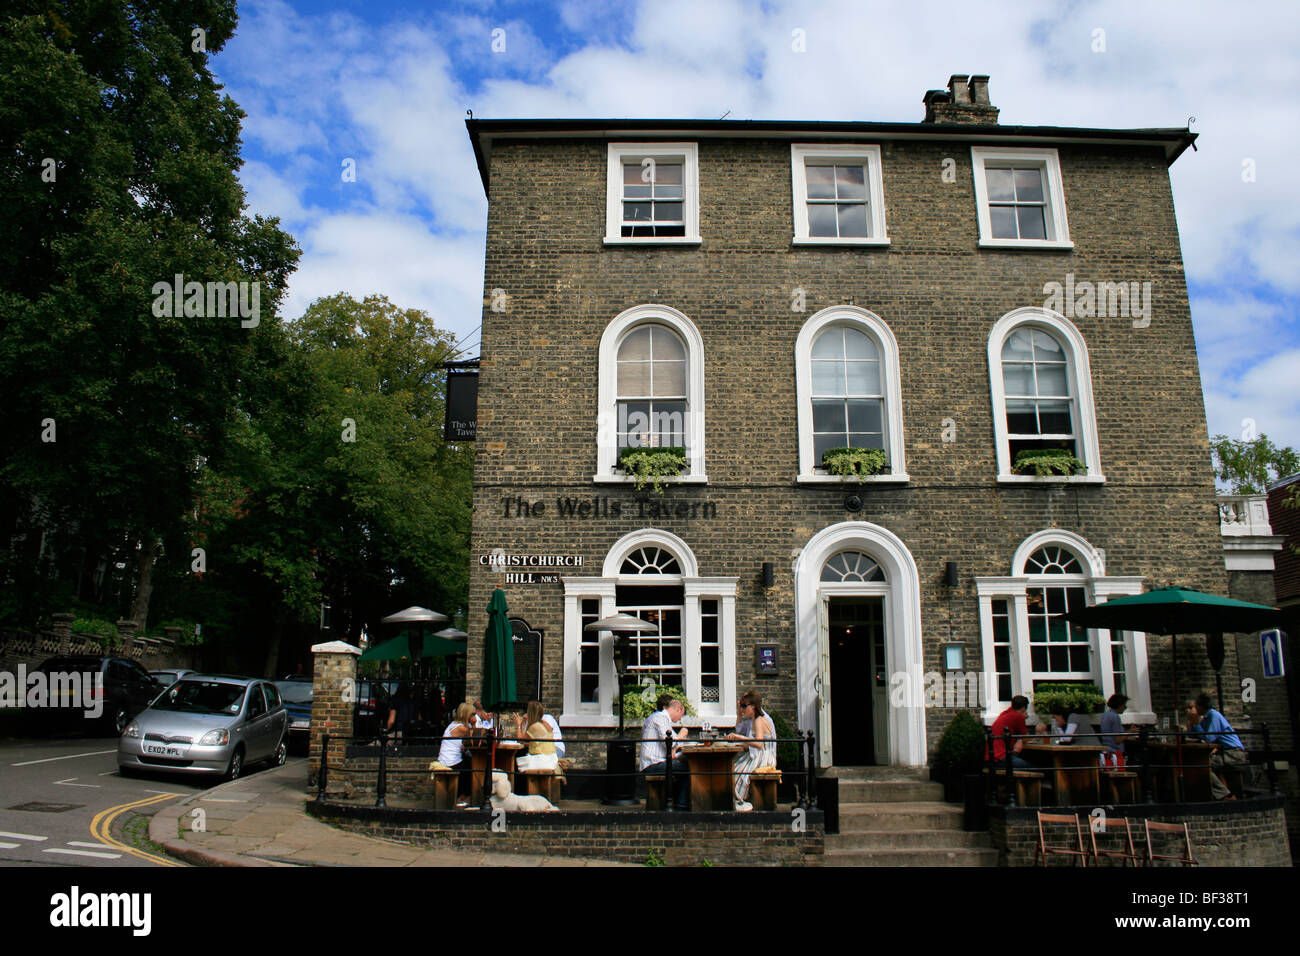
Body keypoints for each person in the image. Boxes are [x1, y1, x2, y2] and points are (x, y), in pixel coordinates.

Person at [1188, 692, 1246, 800]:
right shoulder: (1206, 718)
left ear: (1200, 707)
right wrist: (1191, 724)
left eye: (1195, 707)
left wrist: (1196, 724)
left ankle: (1225, 795)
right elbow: (1195, 735)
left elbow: (1209, 738)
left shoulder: (1213, 715)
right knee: (1199, 764)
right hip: (1225, 753)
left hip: (1233, 754)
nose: (1194, 709)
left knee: (1201, 765)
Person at [727, 691, 776, 811]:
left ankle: (740, 800)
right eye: (741, 706)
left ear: (753, 706)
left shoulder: (759, 719)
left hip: (763, 757)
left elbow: (759, 743)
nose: (742, 709)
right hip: (758, 755)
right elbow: (742, 731)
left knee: (737, 772)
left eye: (744, 706)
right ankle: (738, 800)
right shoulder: (754, 719)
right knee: (733, 768)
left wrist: (739, 738)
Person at [640, 694, 690, 810]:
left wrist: (675, 748)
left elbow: (674, 743)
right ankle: (681, 806)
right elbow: (669, 742)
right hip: (652, 764)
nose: (679, 720)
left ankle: (679, 803)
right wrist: (681, 735)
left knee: (683, 766)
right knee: (689, 767)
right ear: (678, 709)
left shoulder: (663, 720)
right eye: (680, 716)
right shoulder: (659, 718)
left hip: (658, 761)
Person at [436, 702, 476, 807]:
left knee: (469, 763)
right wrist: (474, 724)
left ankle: (464, 796)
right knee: (472, 767)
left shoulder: (454, 725)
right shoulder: (460, 728)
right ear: (466, 714)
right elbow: (475, 734)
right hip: (449, 761)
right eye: (472, 714)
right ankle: (463, 797)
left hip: (450, 759)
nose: (474, 717)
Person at [988, 695, 1031, 769]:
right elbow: (1026, 738)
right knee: (1034, 767)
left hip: (990, 757)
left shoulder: (1005, 713)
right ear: (1024, 708)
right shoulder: (1018, 716)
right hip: (1001, 758)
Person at [515, 701, 559, 771]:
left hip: (543, 759)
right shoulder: (546, 723)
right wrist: (523, 722)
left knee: (518, 762)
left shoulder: (535, 727)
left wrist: (518, 725)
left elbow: (520, 740)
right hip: (551, 757)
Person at [1099, 693, 1130, 764]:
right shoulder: (1115, 717)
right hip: (1115, 753)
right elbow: (1118, 739)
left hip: (1106, 751)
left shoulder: (1106, 714)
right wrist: (1130, 731)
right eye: (1124, 705)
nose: (1125, 708)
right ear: (1119, 705)